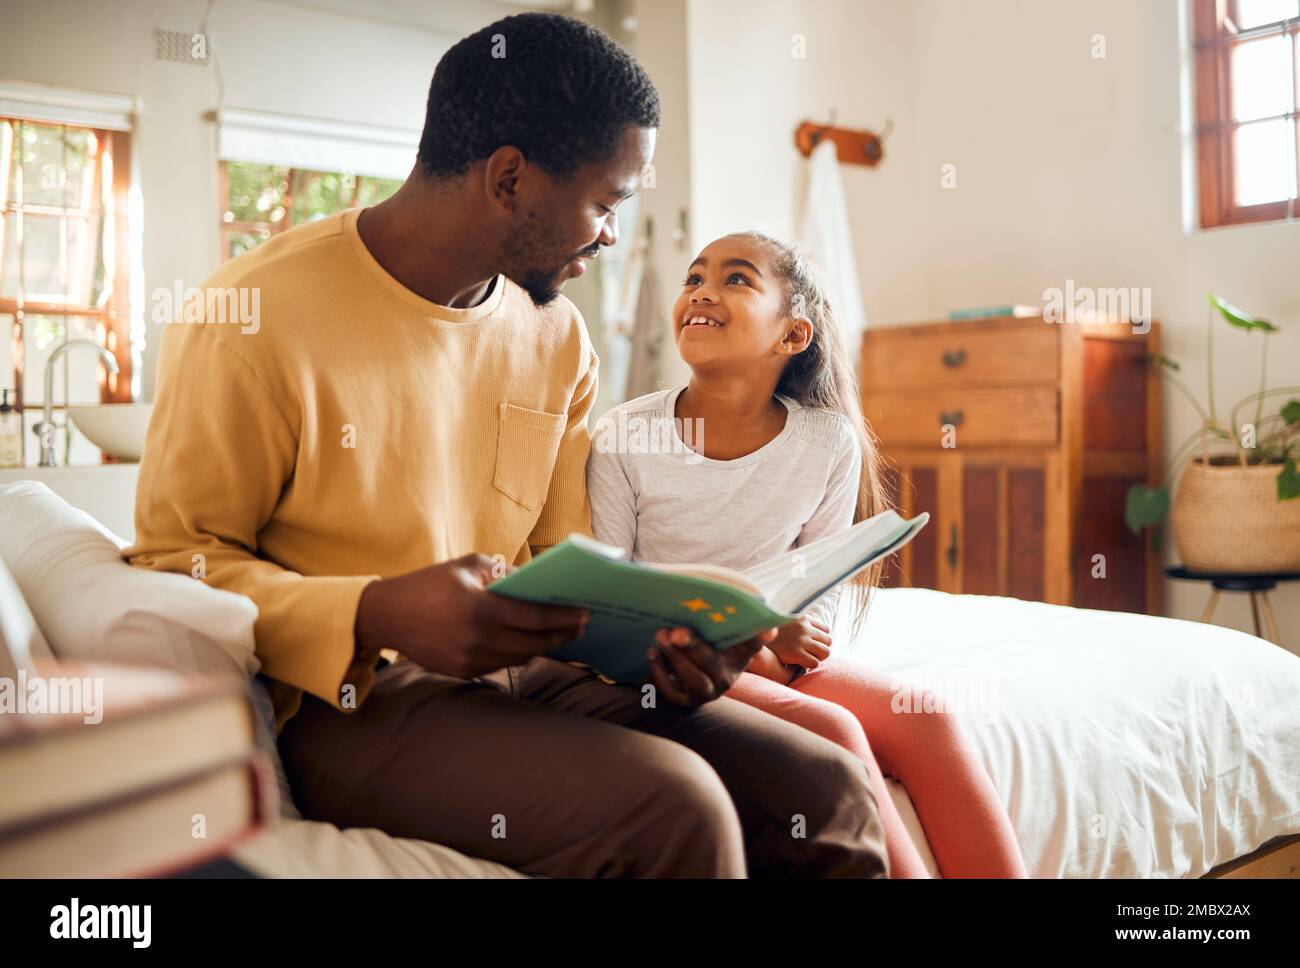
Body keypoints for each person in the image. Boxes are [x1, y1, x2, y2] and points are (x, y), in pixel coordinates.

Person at [127, 13, 888, 878]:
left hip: (534, 672)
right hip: (357, 701)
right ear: (511, 179)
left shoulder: (557, 338)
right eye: (606, 204)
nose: (611, 236)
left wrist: (659, 648)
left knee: (824, 785)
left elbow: (565, 559)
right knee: (675, 807)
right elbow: (174, 564)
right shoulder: (252, 316)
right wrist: (374, 609)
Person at [588, 231, 1028, 877]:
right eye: (694, 277)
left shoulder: (827, 442)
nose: (702, 291)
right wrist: (760, 633)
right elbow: (609, 594)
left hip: (770, 655)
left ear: (792, 336)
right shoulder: (625, 434)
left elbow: (812, 604)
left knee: (928, 717)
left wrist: (772, 641)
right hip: (675, 661)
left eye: (736, 279)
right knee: (834, 732)